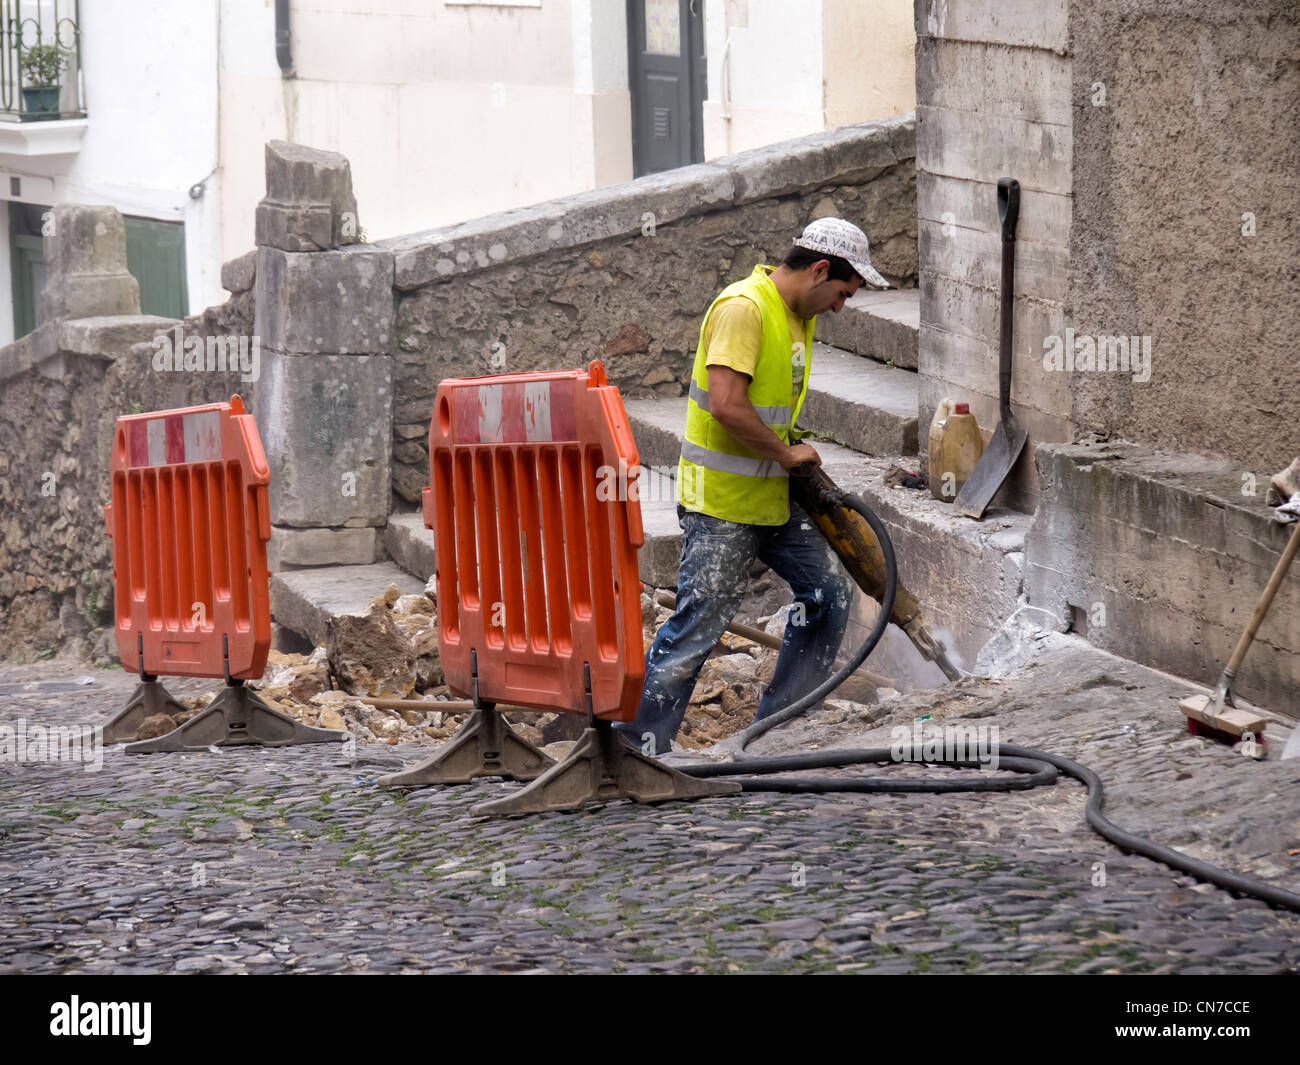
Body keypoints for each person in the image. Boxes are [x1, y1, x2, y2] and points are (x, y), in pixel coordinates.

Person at [616, 217, 891, 755]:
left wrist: (789, 453)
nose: (840, 307)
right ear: (818, 271)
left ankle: (775, 733)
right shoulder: (745, 308)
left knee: (829, 593)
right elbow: (726, 406)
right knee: (701, 624)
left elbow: (768, 404)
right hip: (723, 502)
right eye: (842, 292)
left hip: (771, 497)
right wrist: (786, 452)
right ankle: (637, 750)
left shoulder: (794, 315)